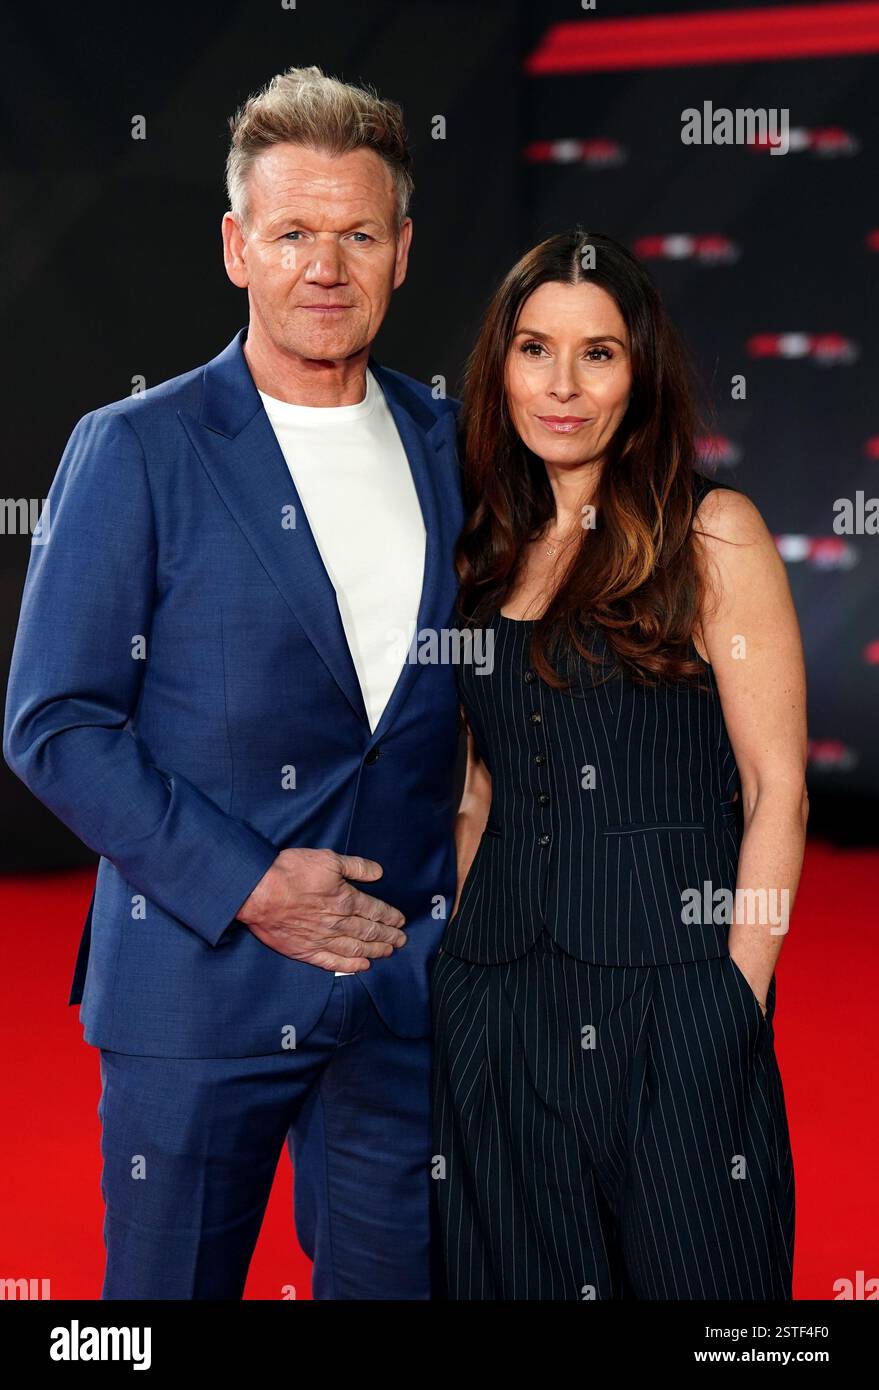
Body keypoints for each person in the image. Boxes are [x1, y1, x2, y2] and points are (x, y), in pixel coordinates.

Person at [3, 65, 464, 1300]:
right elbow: (56, 721)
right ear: (235, 247)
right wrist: (255, 886)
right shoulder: (136, 445)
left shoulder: (454, 444)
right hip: (195, 990)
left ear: (403, 250)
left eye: (358, 232)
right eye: (294, 232)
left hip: (403, 1001)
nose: (327, 263)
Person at [431, 228, 807, 1300]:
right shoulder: (481, 549)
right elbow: (479, 789)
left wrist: (734, 999)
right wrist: (465, 964)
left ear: (640, 373)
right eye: (534, 348)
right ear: (498, 367)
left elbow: (777, 786)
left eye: (597, 353)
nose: (561, 384)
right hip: (499, 1007)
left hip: (676, 1002)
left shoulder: (713, 531)